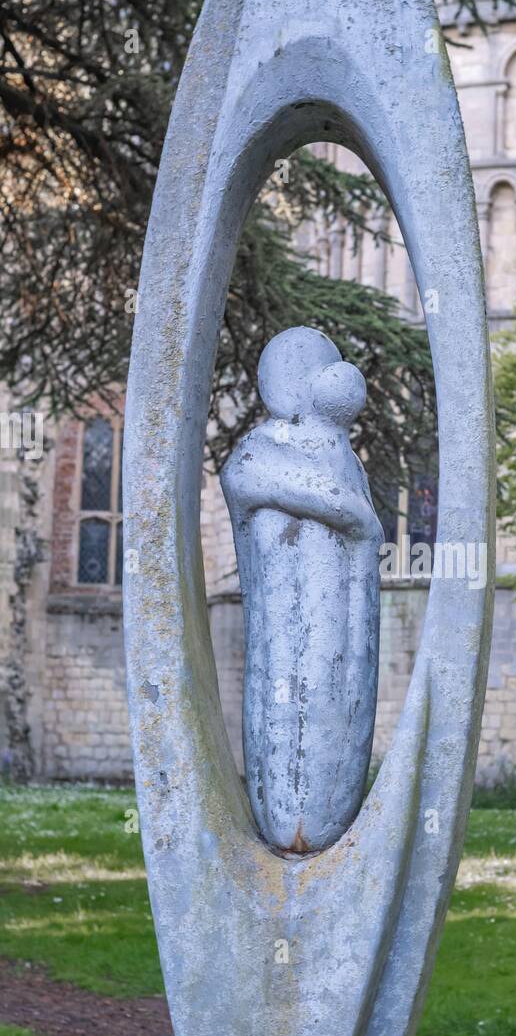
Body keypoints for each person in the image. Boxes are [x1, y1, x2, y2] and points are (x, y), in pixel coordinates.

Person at [221, 327, 383, 855]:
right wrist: (353, 515)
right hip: (285, 631)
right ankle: (290, 823)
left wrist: (356, 520)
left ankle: (319, 822)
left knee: (340, 705)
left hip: (340, 627)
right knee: (285, 713)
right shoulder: (265, 446)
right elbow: (246, 477)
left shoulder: (341, 453)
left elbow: (358, 521)